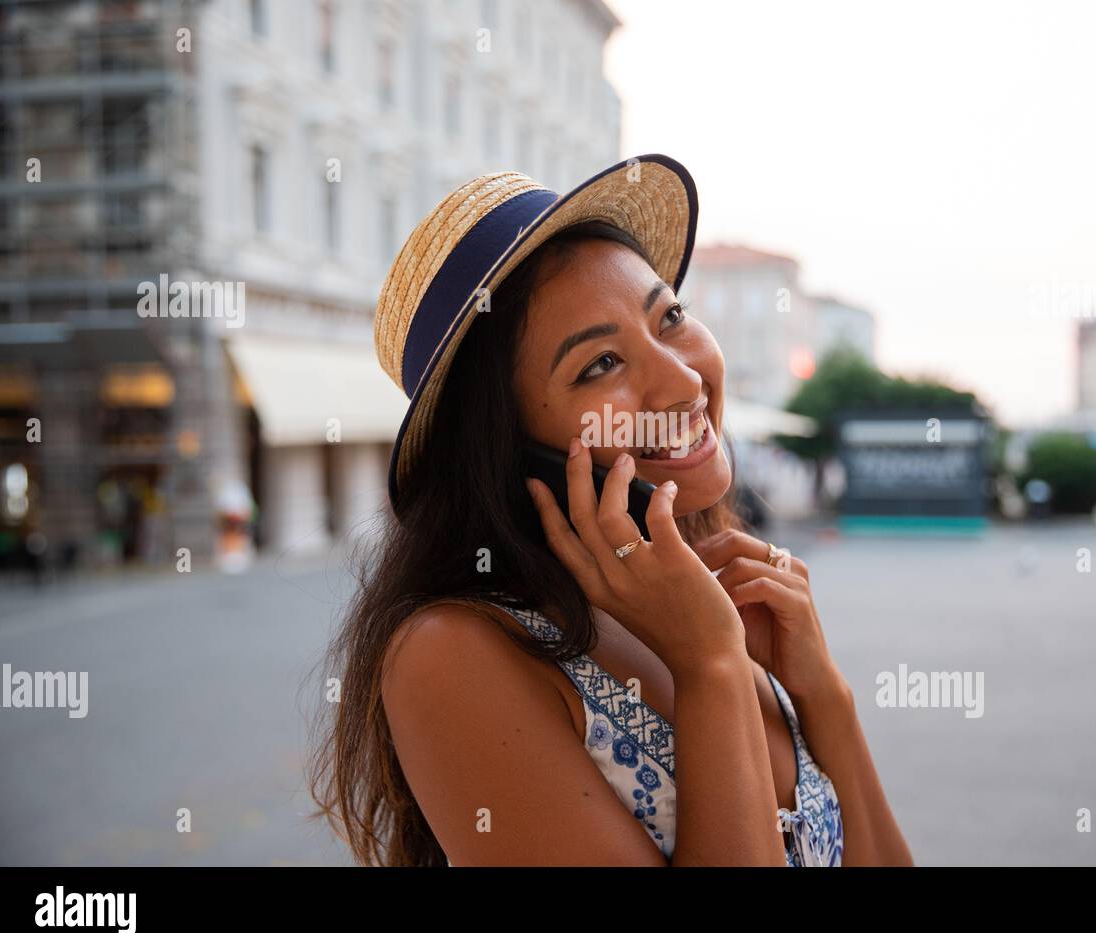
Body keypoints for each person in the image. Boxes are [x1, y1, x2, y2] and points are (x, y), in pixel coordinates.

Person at [309, 155, 912, 867]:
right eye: (600, 365)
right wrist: (710, 663)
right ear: (509, 447)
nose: (683, 378)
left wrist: (824, 696)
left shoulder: (711, 588)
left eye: (671, 318)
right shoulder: (453, 653)